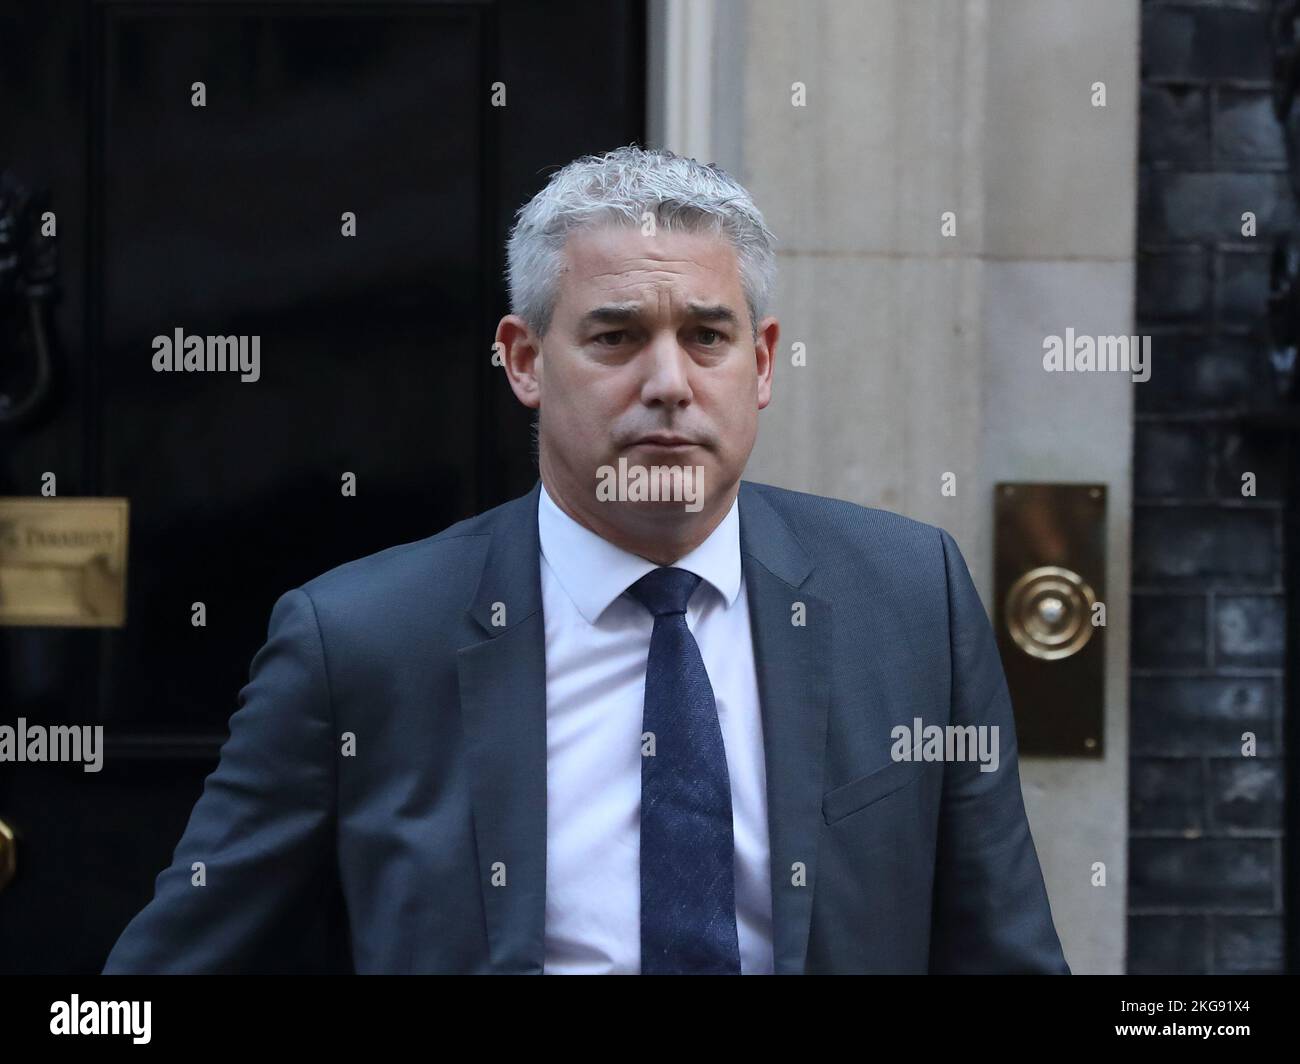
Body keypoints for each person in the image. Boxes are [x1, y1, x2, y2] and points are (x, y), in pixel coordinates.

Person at [103, 145, 1069, 974]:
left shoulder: (909, 601)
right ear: (524, 360)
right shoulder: (359, 642)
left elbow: (1003, 949)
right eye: (615, 337)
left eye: (707, 337)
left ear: (764, 363)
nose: (668, 384)